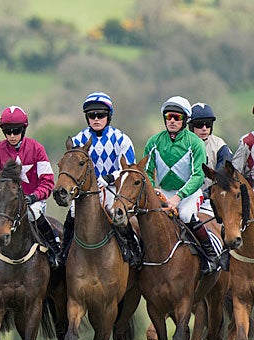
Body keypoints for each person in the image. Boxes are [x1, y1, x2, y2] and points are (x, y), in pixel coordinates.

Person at [145, 96, 218, 273]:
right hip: (162, 192)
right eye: (168, 117)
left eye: (176, 117)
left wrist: (178, 197)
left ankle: (210, 256)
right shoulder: (154, 142)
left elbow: (198, 176)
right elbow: (146, 171)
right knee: (144, 218)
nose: (171, 121)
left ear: (185, 120)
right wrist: (153, 187)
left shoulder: (195, 143)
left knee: (185, 215)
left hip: (189, 194)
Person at [70, 91, 142, 266]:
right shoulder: (78, 140)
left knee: (114, 211)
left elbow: (130, 170)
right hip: (86, 191)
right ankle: (64, 252)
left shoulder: (121, 139)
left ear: (108, 116)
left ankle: (131, 250)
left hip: (112, 189)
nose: (96, 119)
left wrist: (109, 178)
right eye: (91, 115)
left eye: (100, 115)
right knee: (72, 213)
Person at [0, 106, 60, 268]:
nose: (12, 135)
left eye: (16, 131)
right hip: (6, 203)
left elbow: (48, 181)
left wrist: (33, 197)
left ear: (23, 130)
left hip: (32, 201)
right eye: (8, 131)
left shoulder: (37, 149)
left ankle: (54, 250)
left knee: (34, 215)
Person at [189, 102, 233, 198]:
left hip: (212, 197)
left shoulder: (220, 146)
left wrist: (207, 193)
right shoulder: (181, 145)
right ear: (191, 126)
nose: (204, 128)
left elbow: (223, 177)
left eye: (208, 124)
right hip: (185, 196)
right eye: (199, 124)